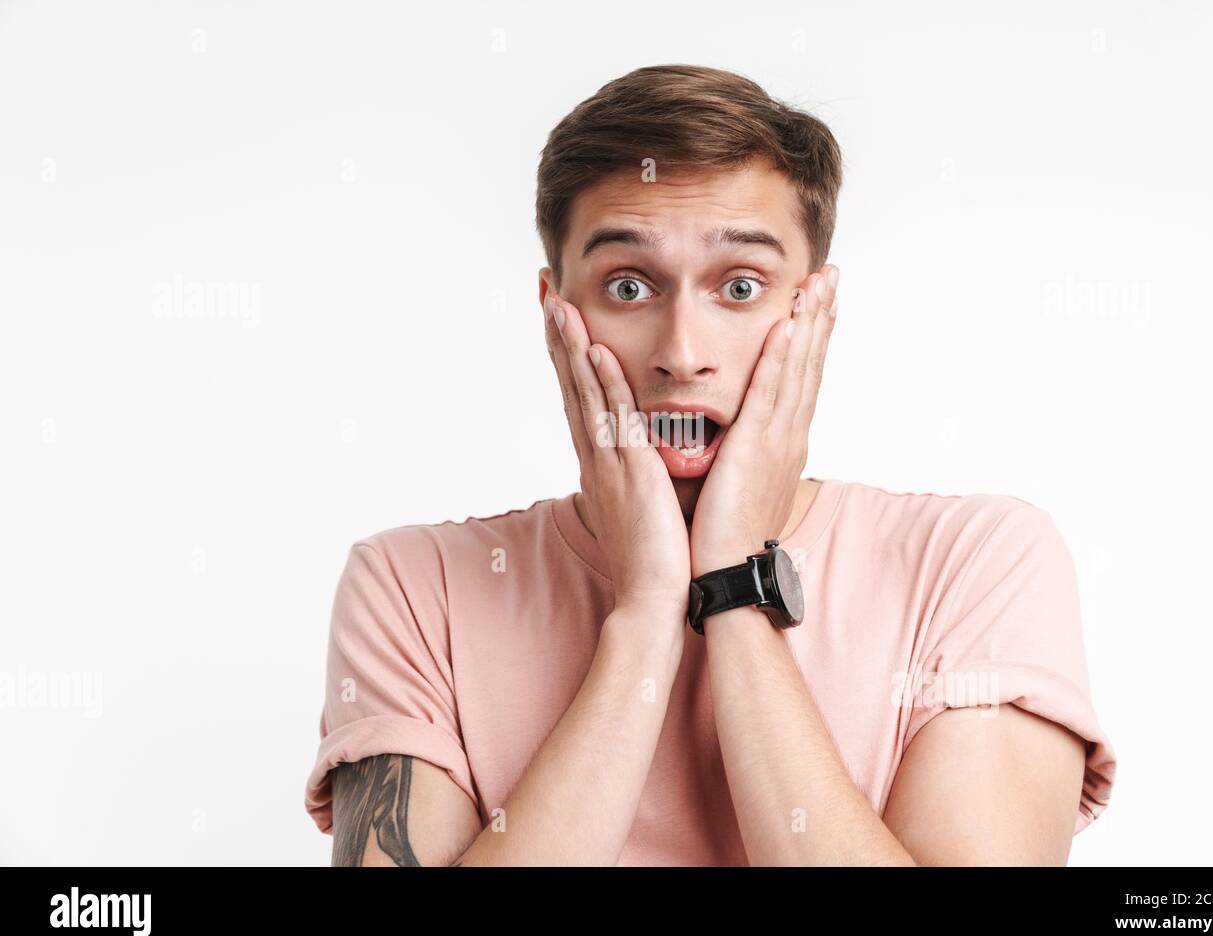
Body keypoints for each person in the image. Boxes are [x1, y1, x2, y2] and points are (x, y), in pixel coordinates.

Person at [305, 64, 1116, 866]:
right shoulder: (416, 586)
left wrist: (734, 577)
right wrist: (647, 606)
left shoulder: (977, 562)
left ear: (813, 308)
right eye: (627, 285)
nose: (681, 355)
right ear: (557, 312)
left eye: (738, 286)